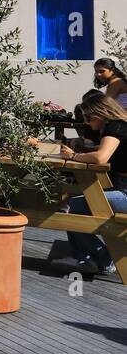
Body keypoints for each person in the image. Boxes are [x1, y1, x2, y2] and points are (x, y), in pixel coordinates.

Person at [57, 93, 127, 278]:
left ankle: (101, 259)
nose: (86, 122)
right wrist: (85, 149)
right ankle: (88, 258)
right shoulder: (118, 125)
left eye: (88, 117)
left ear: (100, 113)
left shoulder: (115, 126)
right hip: (121, 187)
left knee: (70, 207)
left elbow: (101, 158)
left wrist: (73, 157)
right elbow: (104, 152)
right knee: (79, 203)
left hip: (125, 193)